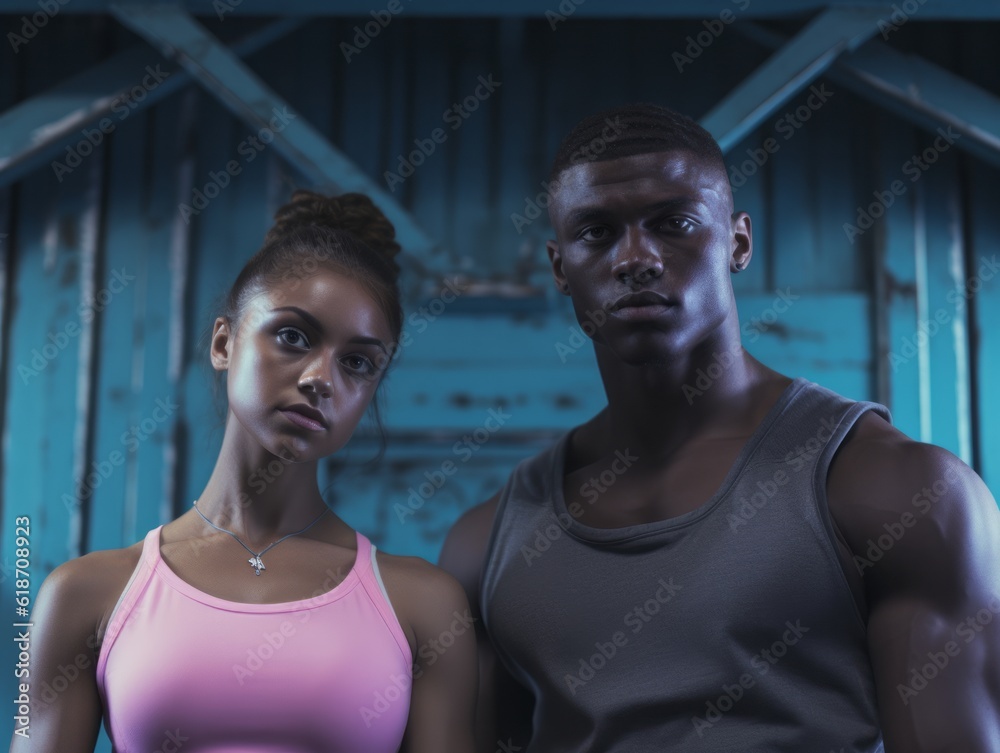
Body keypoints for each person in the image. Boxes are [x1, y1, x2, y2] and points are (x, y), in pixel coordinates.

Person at [440, 104, 1000, 753]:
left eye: (673, 224)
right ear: (561, 267)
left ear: (738, 242)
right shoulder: (486, 544)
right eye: (596, 232)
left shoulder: (899, 492)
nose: (636, 257)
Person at [16, 191, 477, 753]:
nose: (320, 378)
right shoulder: (86, 594)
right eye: (293, 336)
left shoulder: (424, 605)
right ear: (223, 342)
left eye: (357, 362)